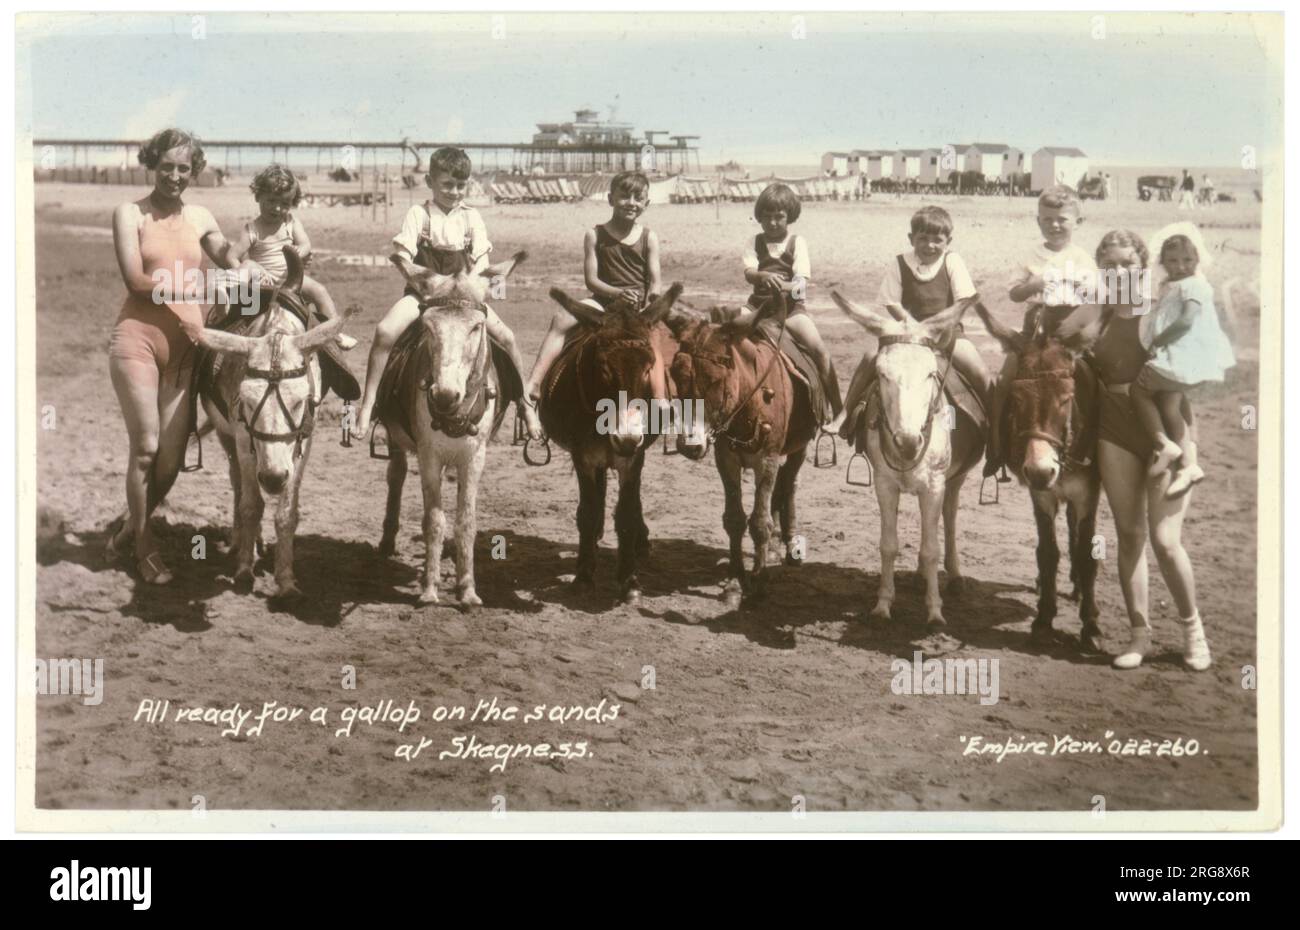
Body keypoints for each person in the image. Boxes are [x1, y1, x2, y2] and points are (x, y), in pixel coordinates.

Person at [105, 128, 253, 584]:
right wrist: (191, 287)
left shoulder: (201, 215)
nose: (174, 175)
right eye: (166, 166)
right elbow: (135, 280)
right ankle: (146, 549)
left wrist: (248, 258)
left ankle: (130, 528)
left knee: (172, 458)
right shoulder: (129, 213)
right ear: (152, 164)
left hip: (188, 347)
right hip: (138, 340)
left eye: (183, 168)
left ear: (194, 170)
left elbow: (226, 256)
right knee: (147, 448)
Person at [1082, 229, 1212, 671]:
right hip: (1114, 429)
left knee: (1165, 540)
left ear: (1141, 266)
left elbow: (1194, 358)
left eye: (1126, 264)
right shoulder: (1096, 314)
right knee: (1130, 535)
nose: (1118, 272)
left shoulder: (1159, 309)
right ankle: (1139, 636)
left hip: (1166, 431)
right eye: (1109, 265)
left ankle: (1193, 631)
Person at [350, 147, 538, 441]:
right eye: (447, 185)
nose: (454, 192)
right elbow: (404, 257)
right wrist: (426, 283)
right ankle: (369, 404)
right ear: (430, 181)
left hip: (464, 299)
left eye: (461, 185)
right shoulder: (419, 214)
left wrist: (475, 290)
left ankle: (525, 404)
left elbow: (483, 262)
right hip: (424, 296)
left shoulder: (472, 217)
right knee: (385, 331)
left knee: (508, 338)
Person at [838, 205, 990, 440]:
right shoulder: (900, 263)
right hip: (906, 334)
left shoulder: (952, 261)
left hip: (947, 334)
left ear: (948, 241)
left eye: (937, 240)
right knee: (870, 359)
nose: (930, 245)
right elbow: (891, 302)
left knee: (980, 372)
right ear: (911, 239)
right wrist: (913, 327)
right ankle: (845, 415)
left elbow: (963, 301)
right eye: (923, 239)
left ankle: (994, 431)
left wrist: (936, 327)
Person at [522, 170, 664, 410]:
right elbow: (591, 280)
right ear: (610, 199)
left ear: (646, 203)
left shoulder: (649, 237)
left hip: (637, 307)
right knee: (561, 319)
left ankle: (660, 398)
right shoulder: (595, 235)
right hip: (603, 302)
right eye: (625, 196)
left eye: (638, 198)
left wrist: (651, 302)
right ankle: (535, 382)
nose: (631, 203)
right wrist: (616, 293)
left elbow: (655, 279)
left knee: (655, 338)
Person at [985, 186, 1097, 473]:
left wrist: (1082, 289)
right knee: (1005, 379)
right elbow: (1014, 294)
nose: (1055, 225)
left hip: (1072, 333)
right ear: (1038, 222)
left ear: (1077, 223)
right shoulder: (1031, 255)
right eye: (1047, 220)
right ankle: (996, 446)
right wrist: (1032, 285)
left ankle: (1094, 446)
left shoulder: (1084, 258)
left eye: (1062, 219)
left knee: (1095, 381)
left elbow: (1095, 296)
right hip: (1035, 334)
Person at [1130, 225, 1235, 499]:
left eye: (1187, 260)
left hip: (1183, 354)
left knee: (1139, 391)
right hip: (1179, 356)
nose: (1180, 266)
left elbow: (1187, 320)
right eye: (1173, 261)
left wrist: (1159, 340)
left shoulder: (1195, 285)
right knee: (1169, 405)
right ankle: (1188, 465)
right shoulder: (1171, 284)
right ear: (1162, 262)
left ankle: (1163, 443)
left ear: (1198, 260)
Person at [734, 183, 842, 424]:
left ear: (789, 217)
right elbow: (749, 272)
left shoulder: (797, 242)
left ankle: (837, 409)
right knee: (727, 335)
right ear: (759, 217)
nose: (772, 223)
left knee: (820, 351)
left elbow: (801, 282)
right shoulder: (754, 241)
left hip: (791, 311)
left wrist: (783, 287)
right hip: (757, 308)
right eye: (766, 217)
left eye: (779, 217)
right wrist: (763, 276)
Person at [224, 164, 355, 349]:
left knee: (320, 290)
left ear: (292, 202)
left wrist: (299, 252)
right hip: (264, 279)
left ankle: (334, 331)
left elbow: (306, 244)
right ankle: (227, 296)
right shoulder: (252, 229)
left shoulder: (291, 223)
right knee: (248, 265)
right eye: (271, 201)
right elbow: (232, 255)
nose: (277, 208)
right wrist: (244, 278)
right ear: (258, 196)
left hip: (290, 277)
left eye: (285, 203)